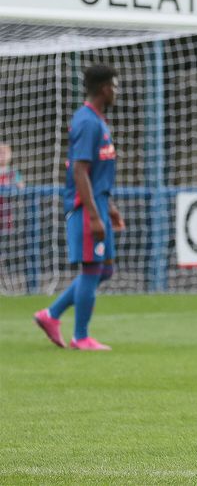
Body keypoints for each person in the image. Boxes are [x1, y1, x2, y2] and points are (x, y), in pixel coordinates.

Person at [34, 64, 124, 351]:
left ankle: (51, 314)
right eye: (114, 86)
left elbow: (96, 173)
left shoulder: (97, 120)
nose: (117, 91)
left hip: (98, 204)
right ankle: (81, 337)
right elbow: (80, 171)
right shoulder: (87, 122)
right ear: (104, 89)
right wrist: (94, 216)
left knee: (105, 270)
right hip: (85, 208)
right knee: (92, 269)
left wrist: (108, 207)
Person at [0, 143, 26, 234]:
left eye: (4, 153)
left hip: (7, 206)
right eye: (0, 153)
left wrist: (18, 186)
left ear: (9, 155)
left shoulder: (13, 172)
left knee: (7, 228)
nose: (2, 156)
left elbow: (21, 186)